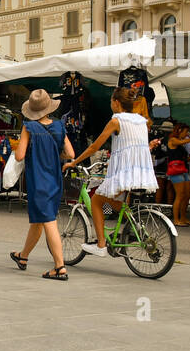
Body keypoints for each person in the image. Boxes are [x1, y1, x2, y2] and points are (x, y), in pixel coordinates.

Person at [64, 87, 160, 257]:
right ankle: (134, 228)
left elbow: (95, 146)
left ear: (116, 102)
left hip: (123, 172)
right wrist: (150, 146)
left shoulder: (116, 121)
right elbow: (139, 145)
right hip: (141, 172)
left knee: (96, 202)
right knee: (115, 202)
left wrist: (74, 162)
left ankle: (101, 245)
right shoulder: (141, 121)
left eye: (111, 102)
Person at [9, 89, 75, 281]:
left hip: (38, 181)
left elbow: (20, 155)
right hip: (54, 180)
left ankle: (59, 267)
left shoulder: (29, 127)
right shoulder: (59, 126)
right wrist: (56, 155)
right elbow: (70, 153)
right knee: (38, 220)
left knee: (48, 221)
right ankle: (23, 256)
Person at [166, 121, 190, 227]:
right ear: (179, 130)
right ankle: (176, 219)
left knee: (187, 195)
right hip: (175, 170)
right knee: (179, 195)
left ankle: (183, 218)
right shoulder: (173, 140)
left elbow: (186, 158)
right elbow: (179, 143)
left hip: (183, 169)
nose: (186, 134)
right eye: (185, 131)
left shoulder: (181, 142)